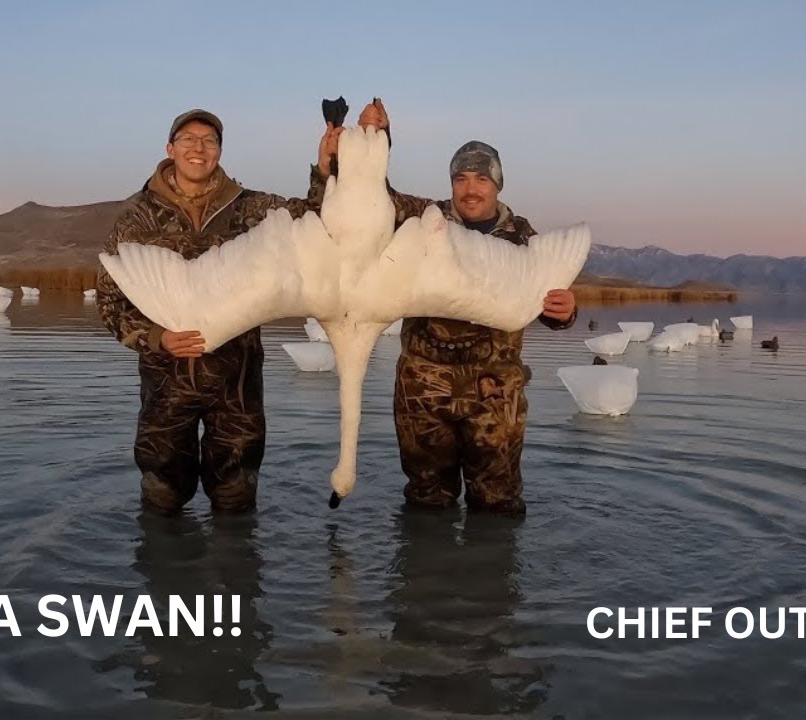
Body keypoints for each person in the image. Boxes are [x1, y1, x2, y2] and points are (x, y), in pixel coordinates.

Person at [322, 100, 578, 514]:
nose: (470, 188)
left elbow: (551, 303)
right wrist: (379, 136)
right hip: (424, 391)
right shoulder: (422, 218)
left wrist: (565, 312)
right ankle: (425, 573)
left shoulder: (523, 238)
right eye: (460, 178)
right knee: (426, 502)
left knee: (497, 504)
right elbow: (369, 196)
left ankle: (490, 573)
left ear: (497, 184)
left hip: (495, 395)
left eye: (481, 178)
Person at [96, 108, 338, 515]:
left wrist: (326, 169)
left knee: (236, 491)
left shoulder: (251, 209)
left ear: (219, 153)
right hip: (166, 384)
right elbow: (109, 300)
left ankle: (235, 573)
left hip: (236, 383)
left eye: (209, 141)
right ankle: (167, 572)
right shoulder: (136, 218)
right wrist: (157, 338)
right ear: (170, 148)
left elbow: (314, 220)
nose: (199, 148)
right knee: (162, 491)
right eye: (189, 139)